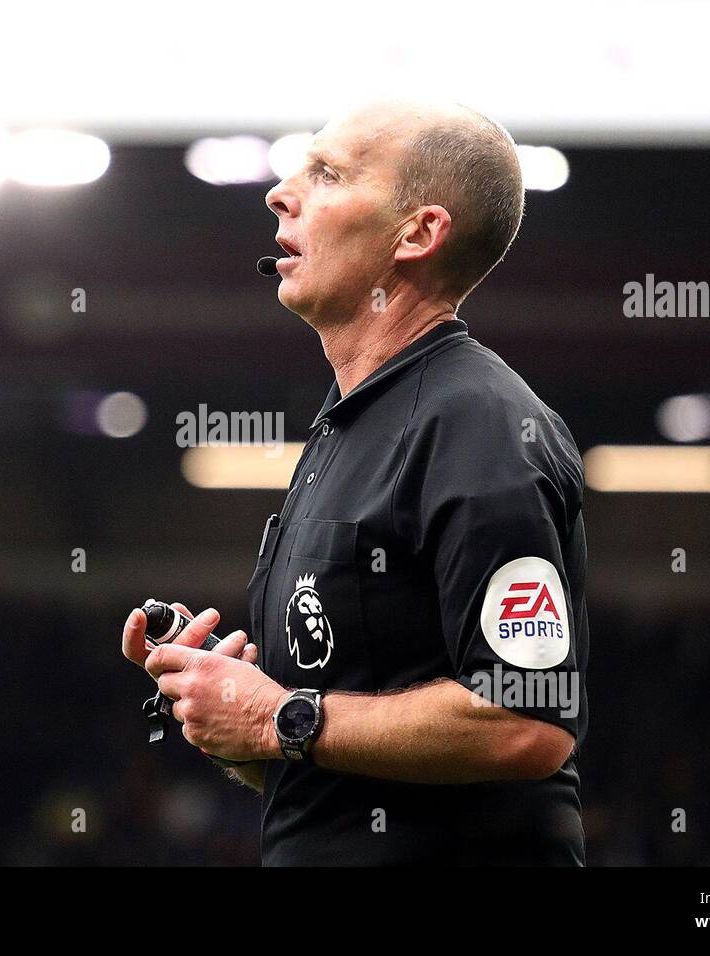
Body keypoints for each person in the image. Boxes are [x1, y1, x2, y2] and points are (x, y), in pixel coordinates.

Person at [122, 100, 589, 865]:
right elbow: (317, 754)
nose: (280, 192)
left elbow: (528, 721)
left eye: (327, 172)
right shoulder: (350, 423)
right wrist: (229, 708)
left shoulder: (479, 424)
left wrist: (281, 717)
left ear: (418, 233)